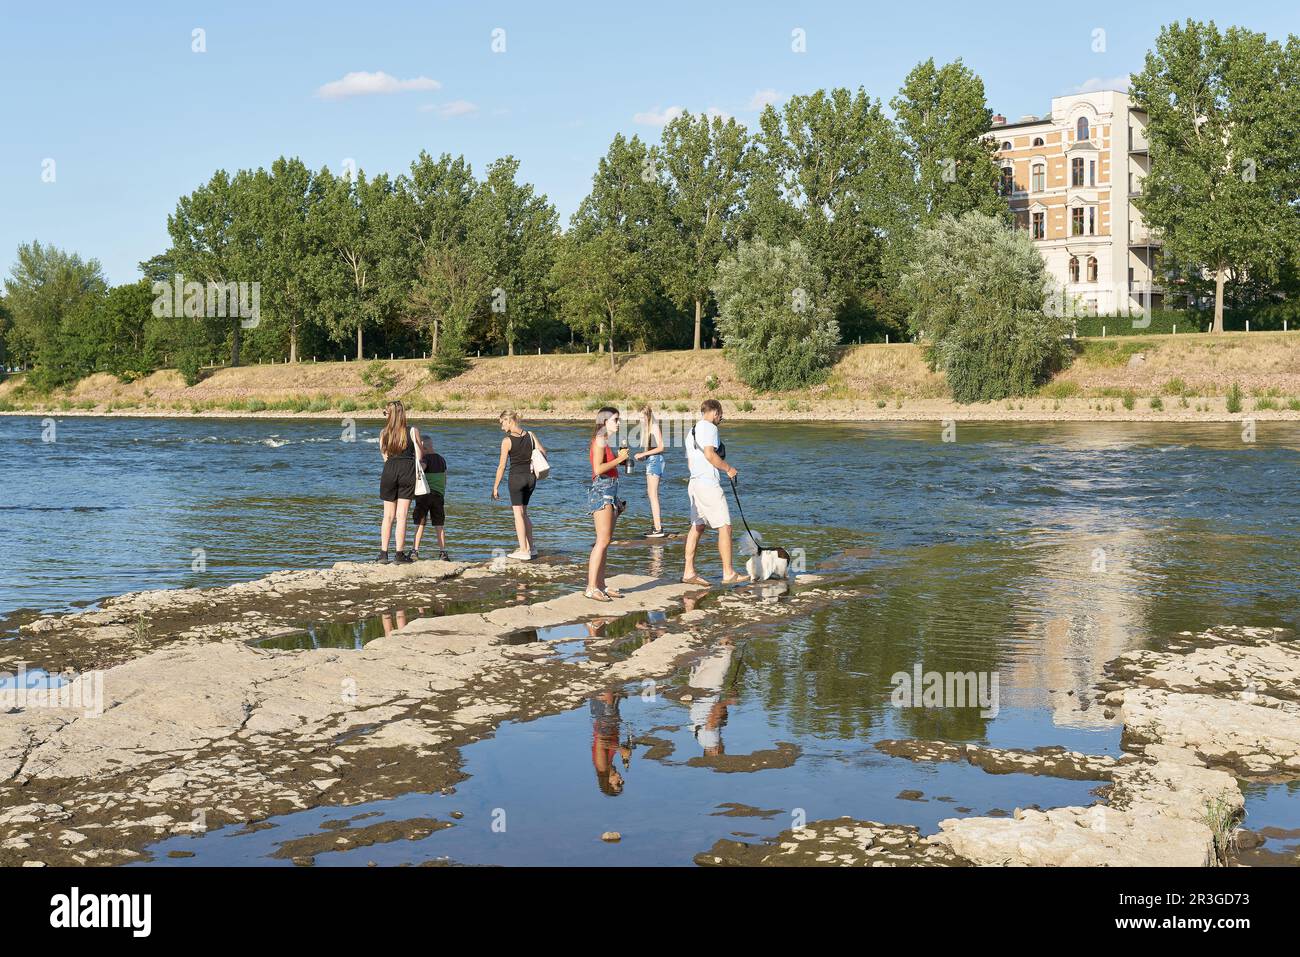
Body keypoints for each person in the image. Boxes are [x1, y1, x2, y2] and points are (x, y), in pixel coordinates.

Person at [681, 398, 748, 585]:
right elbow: (710, 454)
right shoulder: (710, 428)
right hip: (708, 483)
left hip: (694, 483)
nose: (720, 420)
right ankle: (728, 573)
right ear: (716, 412)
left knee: (697, 526)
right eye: (721, 417)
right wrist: (728, 469)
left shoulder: (691, 431)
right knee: (725, 526)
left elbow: (690, 462)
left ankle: (688, 572)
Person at [586, 406, 628, 601]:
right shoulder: (600, 440)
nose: (619, 424)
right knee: (602, 541)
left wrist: (619, 461)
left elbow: (606, 468)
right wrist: (619, 459)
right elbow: (598, 469)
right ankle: (591, 587)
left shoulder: (606, 441)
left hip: (610, 492)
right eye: (616, 420)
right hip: (602, 492)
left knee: (606, 541)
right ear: (605, 422)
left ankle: (601, 585)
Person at [492, 411, 545, 560]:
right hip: (531, 478)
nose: (502, 427)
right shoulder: (531, 435)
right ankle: (531, 548)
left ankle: (523, 550)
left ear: (509, 421)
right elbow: (543, 452)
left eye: (502, 423)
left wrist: (495, 486)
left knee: (518, 515)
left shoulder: (507, 441)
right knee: (524, 513)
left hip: (516, 479)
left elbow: (502, 466)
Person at [377, 400, 420, 564]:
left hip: (389, 470)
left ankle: (383, 554)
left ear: (390, 415)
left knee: (387, 516)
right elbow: (420, 455)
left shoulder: (383, 433)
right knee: (402, 516)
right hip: (407, 471)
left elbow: (385, 457)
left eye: (385, 413)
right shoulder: (412, 431)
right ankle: (399, 554)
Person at [411, 434, 448, 561]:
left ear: (423, 448)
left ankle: (415, 551)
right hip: (438, 495)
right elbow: (445, 478)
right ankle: (443, 552)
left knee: (420, 523)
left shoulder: (425, 459)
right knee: (439, 525)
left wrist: (417, 462)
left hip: (424, 495)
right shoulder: (442, 459)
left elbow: (421, 469)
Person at [632, 404, 666, 538]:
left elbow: (662, 447)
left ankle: (658, 528)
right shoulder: (647, 429)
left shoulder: (654, 427)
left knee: (653, 495)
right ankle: (657, 526)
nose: (640, 420)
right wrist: (644, 456)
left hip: (656, 461)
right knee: (651, 494)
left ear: (648, 415)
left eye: (642, 417)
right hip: (652, 460)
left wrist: (643, 455)